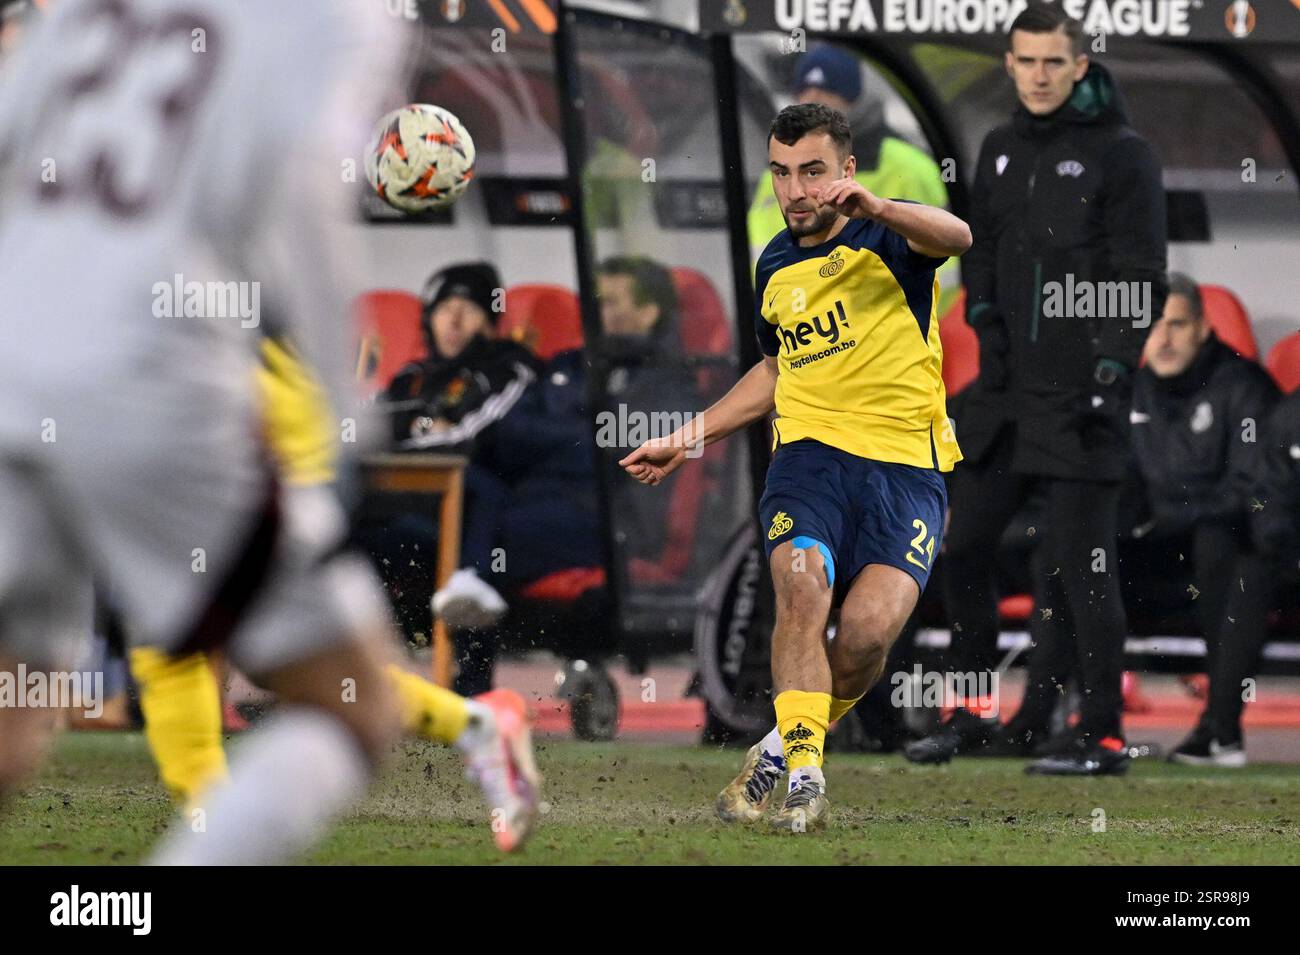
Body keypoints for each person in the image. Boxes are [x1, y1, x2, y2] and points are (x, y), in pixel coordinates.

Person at [0, 0, 409, 864]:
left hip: (11, 352)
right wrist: (350, 414)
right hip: (147, 373)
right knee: (354, 703)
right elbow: (303, 191)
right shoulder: (335, 16)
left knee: (9, 715)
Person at [622, 103, 970, 831]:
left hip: (908, 466)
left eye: (812, 171)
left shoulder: (891, 237)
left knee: (869, 633)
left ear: (844, 171)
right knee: (803, 585)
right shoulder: (775, 262)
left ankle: (780, 747)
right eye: (780, 173)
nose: (795, 190)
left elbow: (960, 235)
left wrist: (881, 204)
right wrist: (686, 438)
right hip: (809, 458)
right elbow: (776, 368)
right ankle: (808, 775)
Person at [908, 2, 1168, 775]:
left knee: (1081, 563)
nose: (1040, 75)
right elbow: (978, 249)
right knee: (964, 545)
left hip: (1085, 394)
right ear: (1011, 64)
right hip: (1006, 393)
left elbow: (1140, 276)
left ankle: (1103, 734)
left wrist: (1112, 369)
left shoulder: (1125, 155)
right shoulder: (997, 148)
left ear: (1081, 65)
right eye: (1026, 62)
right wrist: (983, 314)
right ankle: (967, 711)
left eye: (1055, 61)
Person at [1121, 275, 1279, 766]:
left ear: (1204, 328)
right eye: (1153, 327)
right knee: (1071, 551)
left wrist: (1162, 519)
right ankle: (1081, 724)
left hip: (1231, 548)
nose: (1164, 340)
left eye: (1177, 325)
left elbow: (1252, 495)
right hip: (1159, 552)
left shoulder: (1244, 388)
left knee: (1225, 542)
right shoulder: (1131, 389)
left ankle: (1220, 730)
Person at [372, 262, 540, 631]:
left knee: (476, 483)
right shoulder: (411, 377)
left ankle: (470, 684)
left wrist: (413, 432)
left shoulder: (509, 368)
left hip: (473, 521)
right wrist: (429, 427)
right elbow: (370, 430)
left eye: (469, 310)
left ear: (490, 321)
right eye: (445, 309)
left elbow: (471, 442)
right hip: (408, 513)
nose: (454, 320)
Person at [747, 44, 957, 315]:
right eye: (805, 92)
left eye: (827, 92)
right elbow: (761, 253)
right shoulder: (778, 172)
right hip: (804, 323)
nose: (814, 101)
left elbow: (949, 249)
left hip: (896, 324)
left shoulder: (910, 166)